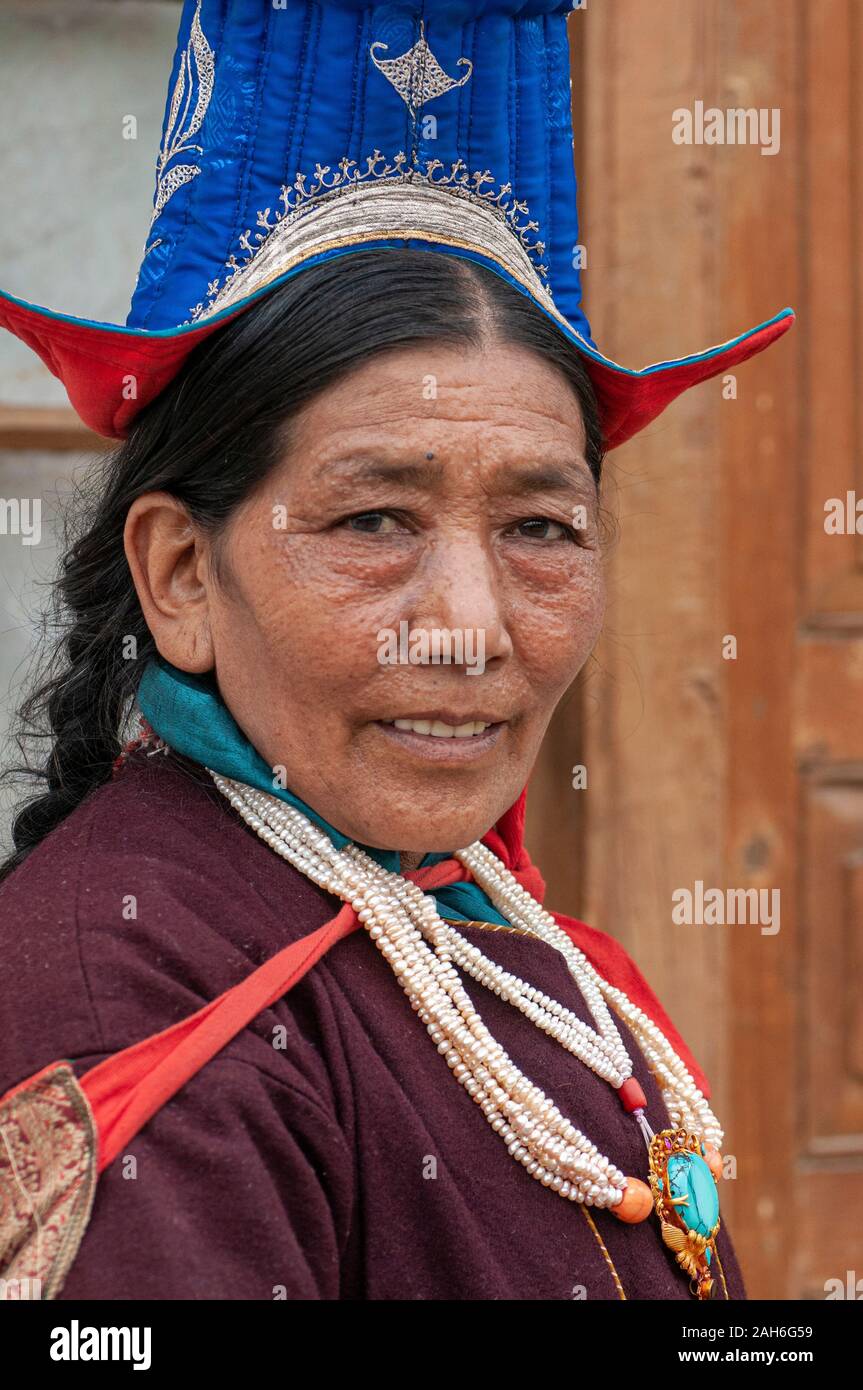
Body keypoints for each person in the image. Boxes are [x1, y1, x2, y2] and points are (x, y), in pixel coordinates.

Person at [0, 0, 793, 1301]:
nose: (473, 629)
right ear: (183, 574)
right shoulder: (129, 998)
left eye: (541, 525)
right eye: (375, 519)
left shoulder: (523, 951)